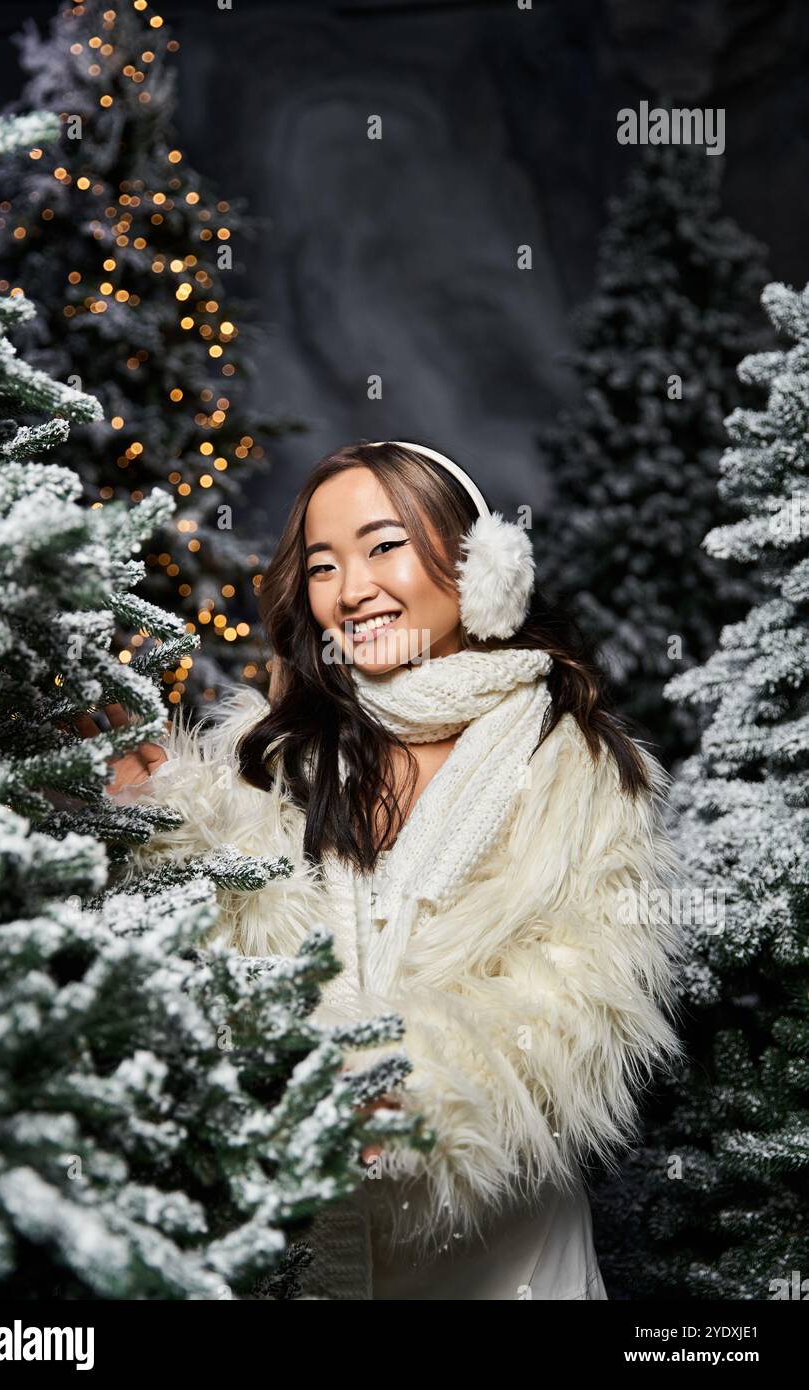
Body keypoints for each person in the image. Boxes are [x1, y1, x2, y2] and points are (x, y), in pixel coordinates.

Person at [75, 440, 688, 1300]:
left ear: (481, 567)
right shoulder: (282, 755)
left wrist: (411, 1096)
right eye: (322, 565)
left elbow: (581, 999)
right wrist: (161, 817)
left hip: (501, 1261)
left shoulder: (570, 766)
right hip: (312, 1249)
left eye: (383, 546)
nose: (351, 589)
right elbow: (247, 941)